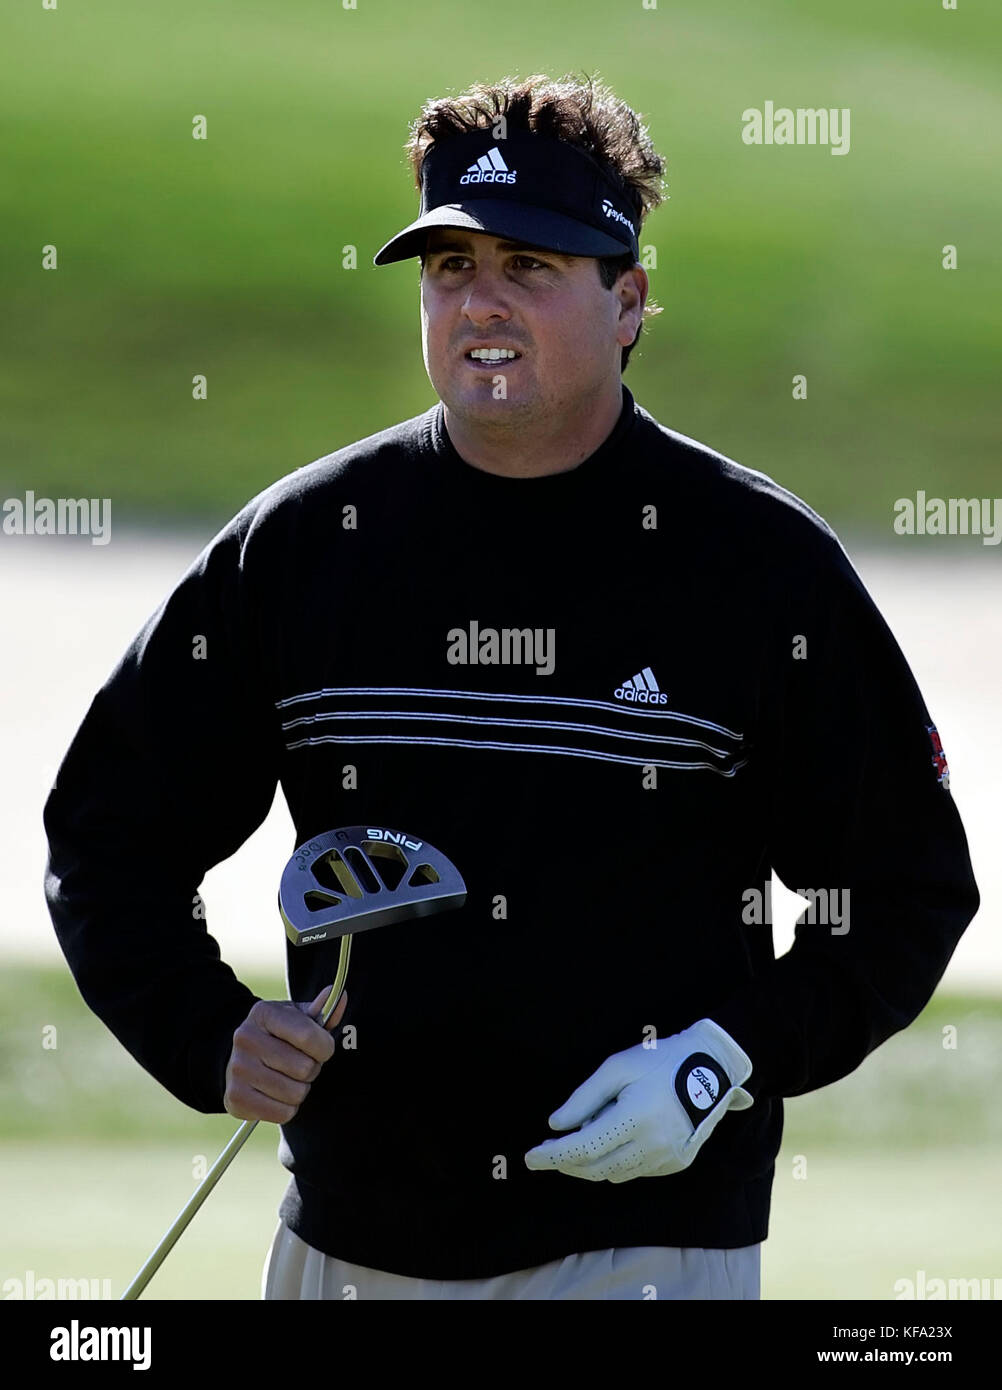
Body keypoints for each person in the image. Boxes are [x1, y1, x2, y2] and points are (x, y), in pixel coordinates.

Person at [43, 73, 980, 1302]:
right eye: (449, 268)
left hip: (655, 1244)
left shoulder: (759, 567)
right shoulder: (305, 545)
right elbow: (107, 830)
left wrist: (721, 1060)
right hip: (352, 1239)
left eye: (531, 265)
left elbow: (906, 891)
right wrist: (202, 1028)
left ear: (629, 299)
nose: (480, 302)